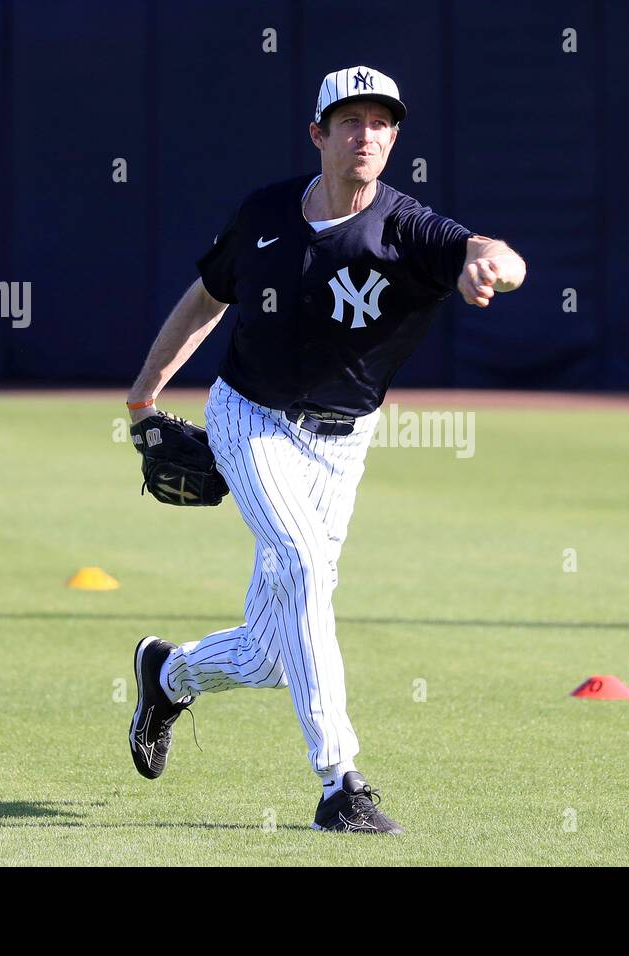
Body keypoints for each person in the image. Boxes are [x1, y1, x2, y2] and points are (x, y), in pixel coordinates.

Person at [125, 66, 526, 834]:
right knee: (304, 566)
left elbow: (492, 251)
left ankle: (168, 674)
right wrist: (145, 395)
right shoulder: (266, 215)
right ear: (318, 134)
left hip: (343, 447)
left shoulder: (406, 228)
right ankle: (341, 783)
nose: (366, 134)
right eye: (349, 121)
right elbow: (208, 298)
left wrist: (494, 268)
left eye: (381, 122)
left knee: (273, 657)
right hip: (250, 419)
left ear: (394, 137)